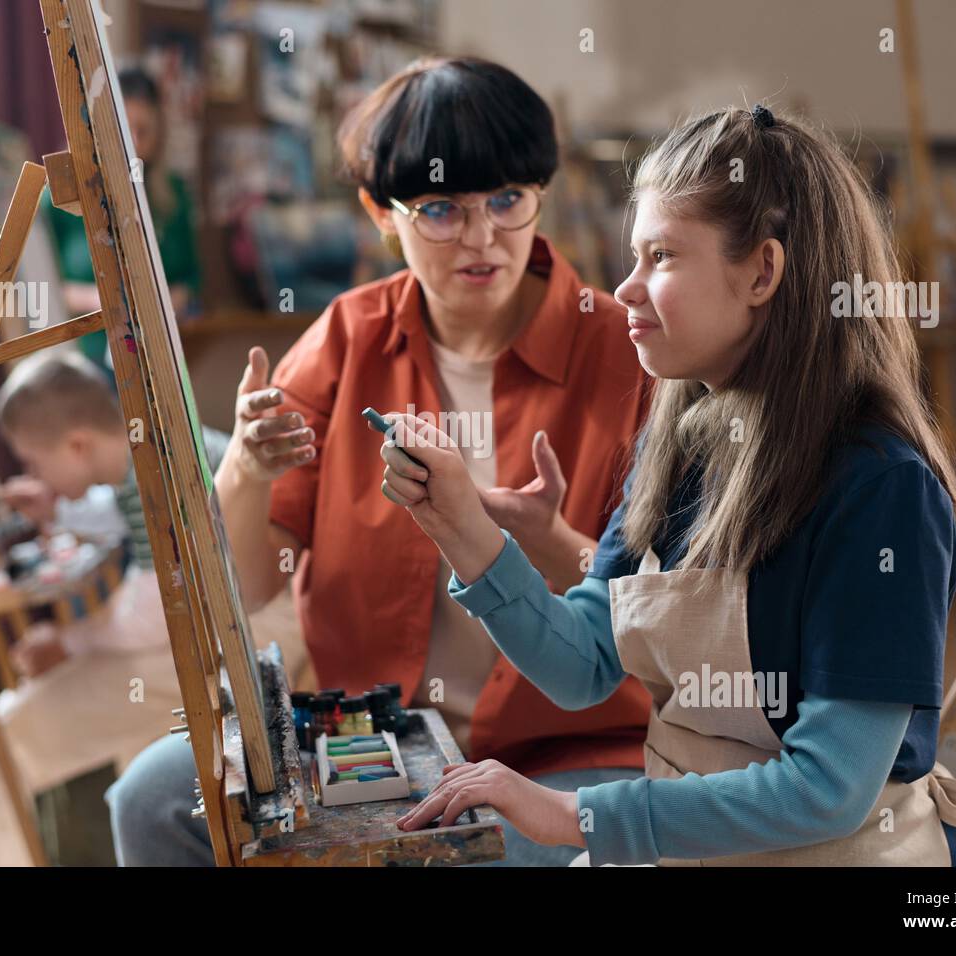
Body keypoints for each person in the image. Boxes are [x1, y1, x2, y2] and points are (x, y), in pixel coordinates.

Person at [375, 105, 956, 866]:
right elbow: (581, 667)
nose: (626, 289)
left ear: (763, 272)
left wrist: (570, 815)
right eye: (633, 258)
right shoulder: (684, 446)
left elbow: (830, 789)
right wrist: (459, 526)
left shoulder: (882, 491)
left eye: (660, 256)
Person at [107, 57, 652, 867]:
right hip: (378, 740)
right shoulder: (346, 338)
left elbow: (664, 613)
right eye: (439, 209)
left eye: (507, 200)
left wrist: (552, 541)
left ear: (543, 191)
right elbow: (249, 584)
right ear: (380, 213)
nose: (481, 237)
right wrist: (249, 472)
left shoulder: (625, 352)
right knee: (152, 799)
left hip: (567, 753)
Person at [0, 352, 227, 806]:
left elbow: (151, 620)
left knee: (39, 707)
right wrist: (56, 510)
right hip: (242, 603)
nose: (32, 477)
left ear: (77, 446)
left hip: (246, 621)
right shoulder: (148, 447)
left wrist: (67, 641)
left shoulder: (148, 480)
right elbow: (118, 515)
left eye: (35, 465)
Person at [45, 67, 201, 372]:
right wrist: (100, 301)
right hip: (77, 360)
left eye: (145, 131)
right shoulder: (57, 196)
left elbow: (190, 278)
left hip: (154, 358)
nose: (135, 143)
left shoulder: (174, 195)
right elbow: (35, 281)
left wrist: (159, 305)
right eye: (124, 129)